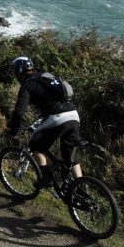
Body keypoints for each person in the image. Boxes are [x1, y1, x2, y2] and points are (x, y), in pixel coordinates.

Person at [7, 56, 82, 187]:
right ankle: (79, 187)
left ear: (19, 71)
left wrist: (13, 130)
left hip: (58, 117)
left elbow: (19, 111)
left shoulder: (27, 85)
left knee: (35, 147)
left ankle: (46, 178)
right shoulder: (45, 76)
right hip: (74, 115)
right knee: (69, 157)